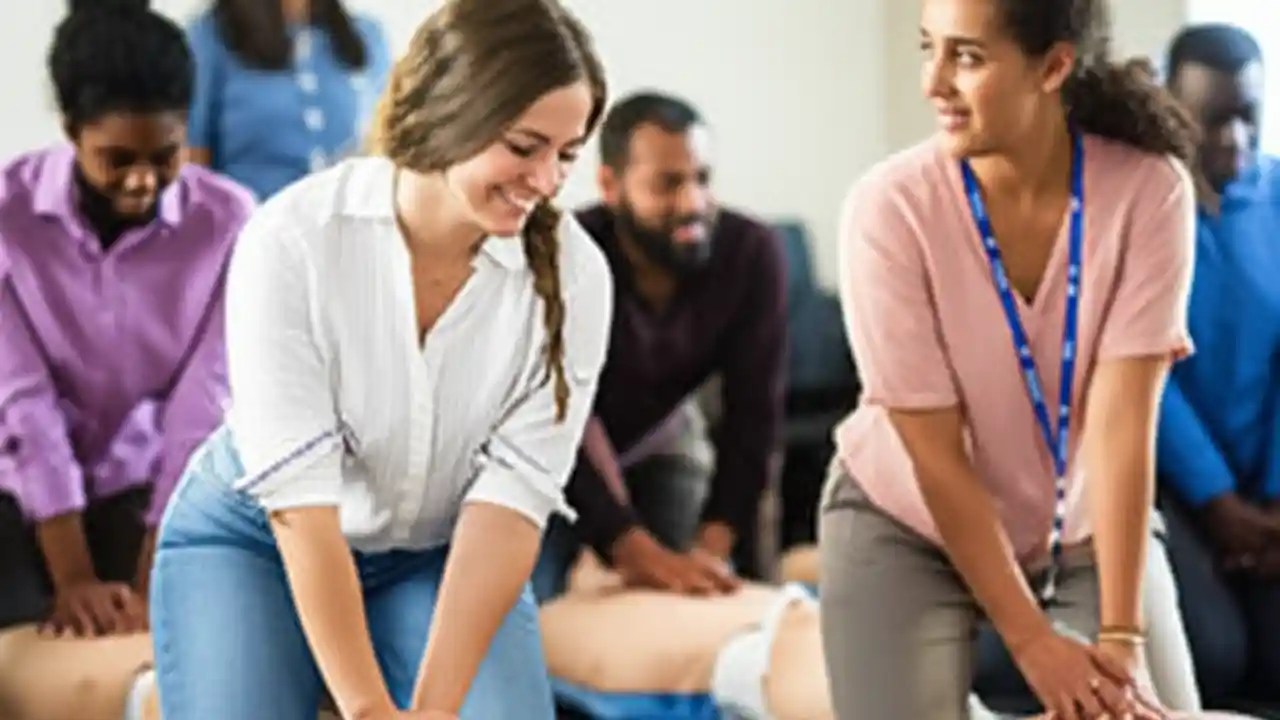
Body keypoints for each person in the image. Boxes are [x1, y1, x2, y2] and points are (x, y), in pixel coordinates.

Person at [147, 1, 611, 718]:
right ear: (449, 112)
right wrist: (366, 708)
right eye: (524, 147)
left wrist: (431, 708)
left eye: (568, 153)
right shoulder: (291, 241)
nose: (549, 180)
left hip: (437, 554)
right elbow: (300, 510)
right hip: (256, 541)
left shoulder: (575, 276)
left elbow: (511, 508)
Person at [818, 0, 1205, 717]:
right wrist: (1032, 642)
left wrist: (1120, 636)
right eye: (927, 48)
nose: (933, 82)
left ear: (1053, 67)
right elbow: (936, 458)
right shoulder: (888, 208)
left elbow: (1125, 424)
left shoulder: (1149, 193)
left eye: (966, 57)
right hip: (909, 521)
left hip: (1084, 529)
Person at [0, 0, 253, 716]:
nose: (144, 180)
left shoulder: (230, 223)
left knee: (181, 619)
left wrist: (150, 587)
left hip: (140, 485)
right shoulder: (8, 216)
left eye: (164, 156)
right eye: (118, 158)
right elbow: (22, 406)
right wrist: (74, 579)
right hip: (15, 486)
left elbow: (201, 411)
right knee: (32, 633)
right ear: (71, 133)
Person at [533, 92, 787, 600]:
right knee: (535, 599)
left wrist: (710, 551)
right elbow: (554, 417)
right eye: (667, 185)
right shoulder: (565, 256)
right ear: (610, 185)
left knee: (696, 588)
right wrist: (628, 545)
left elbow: (754, 417)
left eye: (702, 179)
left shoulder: (750, 253)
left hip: (664, 439)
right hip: (558, 444)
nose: (692, 203)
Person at [1156, 23, 1280, 707]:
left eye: (1248, 116)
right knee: (1216, 654)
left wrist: (1274, 500)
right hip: (1175, 487)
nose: (1234, 137)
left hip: (1265, 486)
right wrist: (1217, 500)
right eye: (1214, 120)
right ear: (1175, 114)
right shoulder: (1141, 205)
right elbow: (1147, 374)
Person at [185, 0, 392, 201]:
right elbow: (192, 163)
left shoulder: (368, 36)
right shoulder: (209, 37)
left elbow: (388, 147)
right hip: (254, 225)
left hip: (345, 223)